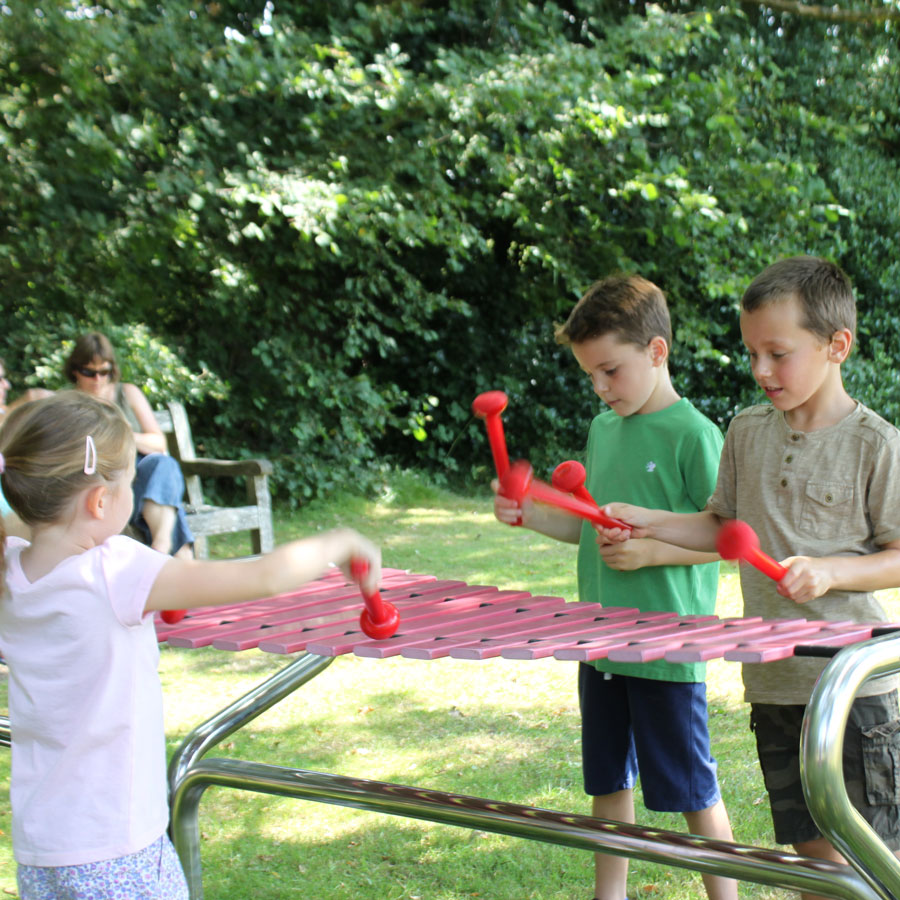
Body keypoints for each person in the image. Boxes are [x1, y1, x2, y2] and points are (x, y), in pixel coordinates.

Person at [595, 256, 900, 900]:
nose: (761, 369)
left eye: (777, 353)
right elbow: (720, 526)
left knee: (872, 849)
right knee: (809, 846)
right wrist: (649, 521)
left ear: (836, 345)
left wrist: (831, 572)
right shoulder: (746, 431)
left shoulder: (876, 444)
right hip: (774, 681)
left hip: (851, 689)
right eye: (752, 352)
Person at [0, 391, 381, 900]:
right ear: (99, 501)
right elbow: (264, 576)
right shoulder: (114, 570)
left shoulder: (12, 570)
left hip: (42, 850)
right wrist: (342, 543)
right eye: (130, 483)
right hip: (119, 847)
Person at [492, 275, 737, 900]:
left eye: (611, 371)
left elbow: (723, 537)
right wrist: (529, 514)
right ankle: (611, 893)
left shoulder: (695, 435)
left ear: (656, 352)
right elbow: (589, 527)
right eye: (591, 376)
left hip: (666, 647)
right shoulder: (605, 430)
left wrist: (651, 550)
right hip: (601, 641)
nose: (601, 388)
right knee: (607, 781)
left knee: (691, 790)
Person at [64, 332, 194, 558]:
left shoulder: (128, 393)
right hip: (104, 489)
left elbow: (158, 442)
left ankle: (162, 548)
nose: (97, 379)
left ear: (112, 370)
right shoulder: (68, 404)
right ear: (75, 370)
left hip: (144, 481)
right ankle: (175, 561)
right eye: (89, 372)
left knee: (164, 464)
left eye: (103, 372)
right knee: (172, 511)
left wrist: (123, 435)